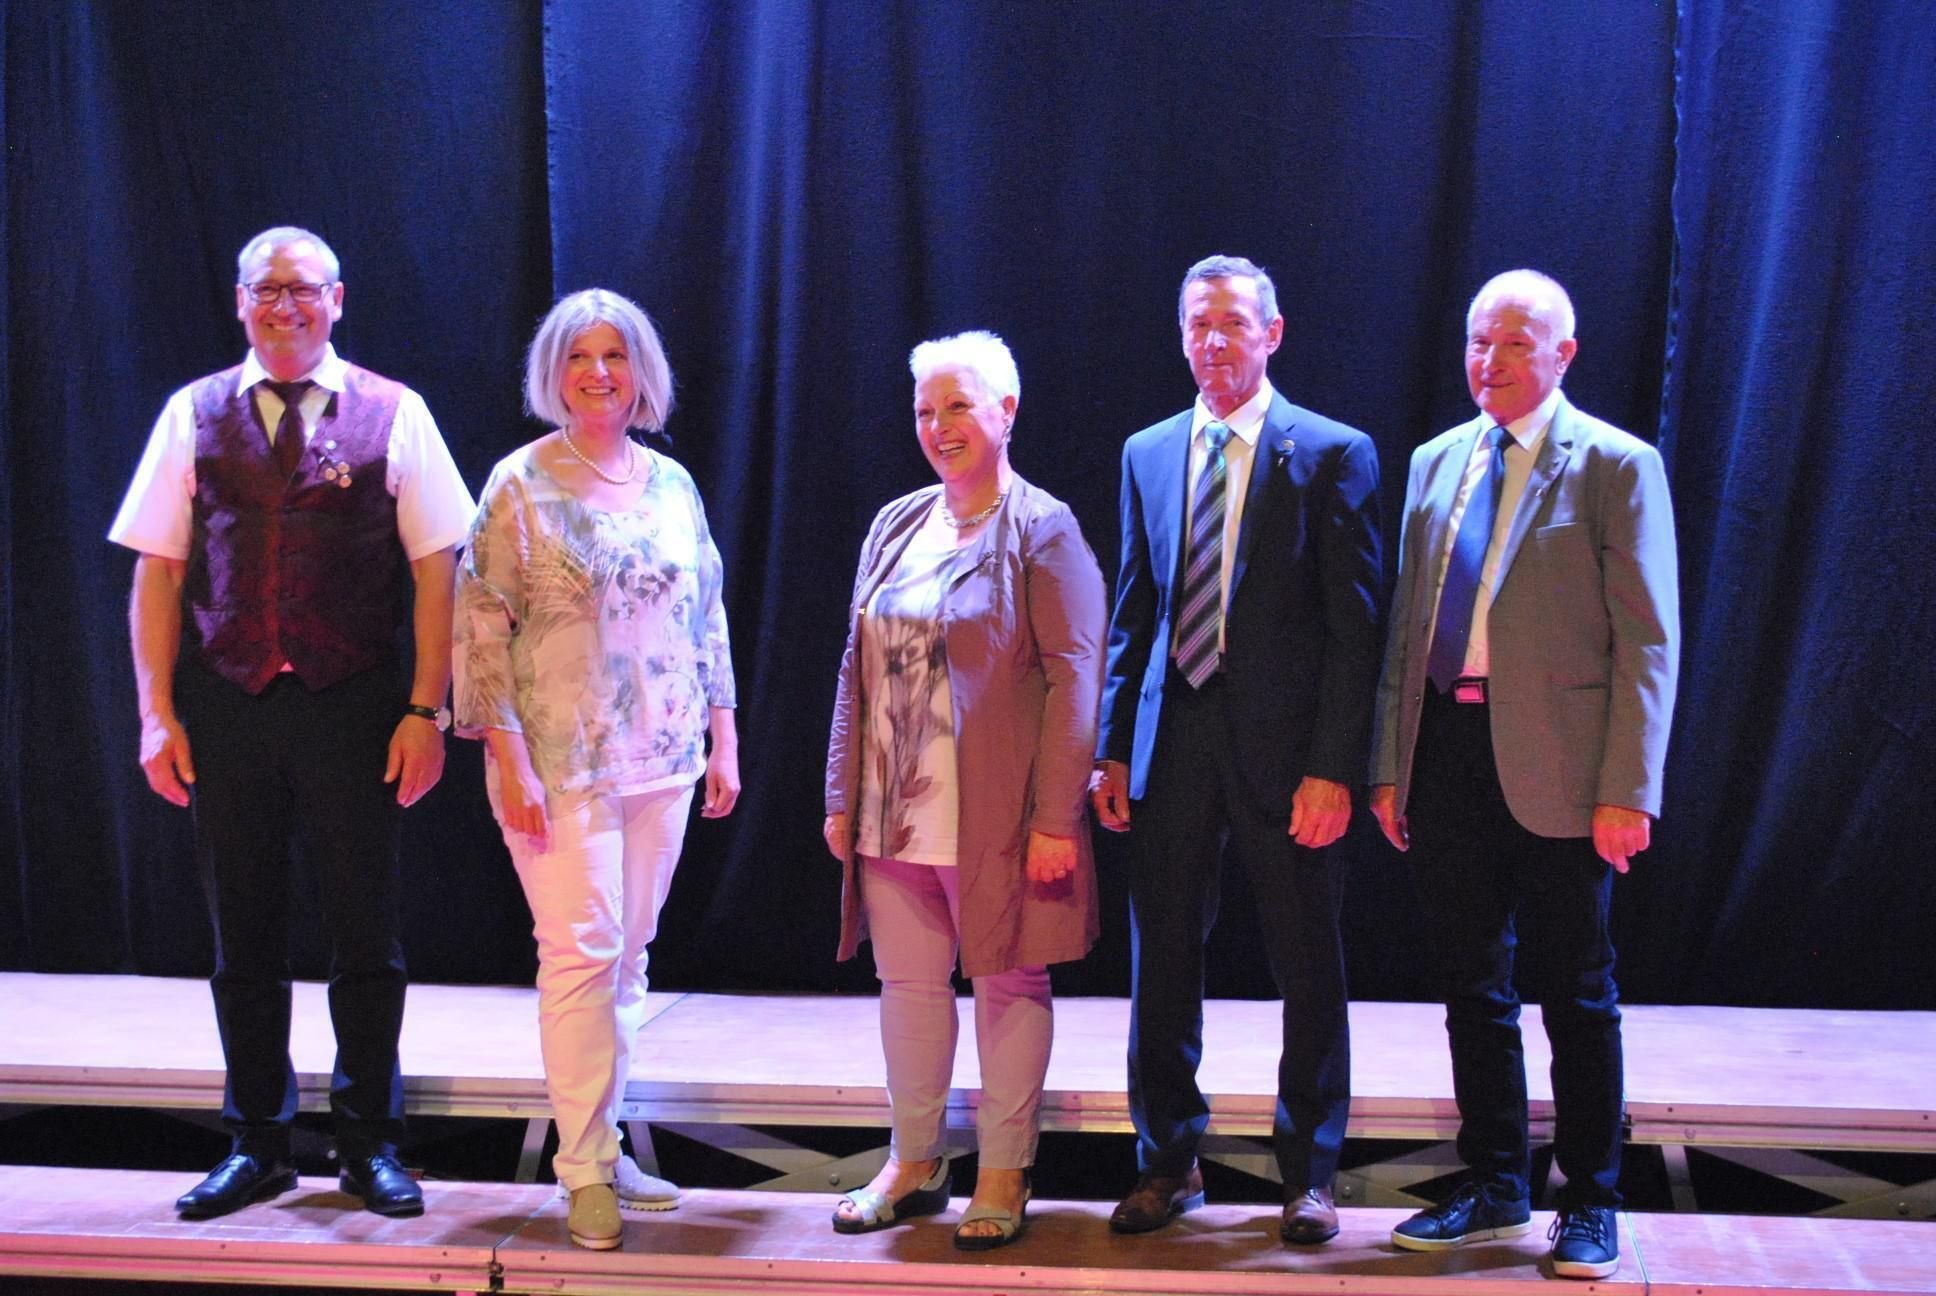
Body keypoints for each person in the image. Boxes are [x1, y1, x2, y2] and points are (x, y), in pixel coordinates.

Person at [111, 226, 475, 1220]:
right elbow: (158, 569)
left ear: (338, 298)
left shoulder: (394, 413)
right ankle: (258, 1142)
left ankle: (368, 1144)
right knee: (246, 938)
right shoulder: (193, 414)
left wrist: (424, 710)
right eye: (266, 291)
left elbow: (439, 566)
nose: (285, 307)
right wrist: (155, 715)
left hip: (355, 703)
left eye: (303, 290)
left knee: (366, 935)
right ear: (239, 303)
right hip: (228, 706)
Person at [1370, 270, 1679, 1280]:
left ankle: (1590, 1197)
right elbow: (1406, 631)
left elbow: (1647, 639)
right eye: (1476, 341)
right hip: (1448, 757)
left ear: (1562, 353)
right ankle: (1496, 1183)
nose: (1488, 361)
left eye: (1512, 343)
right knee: (1470, 985)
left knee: (1575, 991)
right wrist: (1389, 763)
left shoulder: (1615, 465)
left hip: (1563, 764)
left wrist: (1627, 787)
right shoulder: (1433, 462)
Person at [1092, 255, 1383, 1246]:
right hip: (1173, 740)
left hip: (1289, 755)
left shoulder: (1333, 452)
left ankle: (1310, 1173)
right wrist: (1109, 748)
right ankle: (1166, 1160)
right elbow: (1134, 610)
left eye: (1229, 324)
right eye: (1194, 324)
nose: (1210, 341)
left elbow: (1356, 632)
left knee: (1306, 960)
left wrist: (1335, 766)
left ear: (1272, 332)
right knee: (1162, 957)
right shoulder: (1147, 451)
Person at [453, 289, 740, 1252]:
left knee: (629, 957)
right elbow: (480, 624)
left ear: (640, 370)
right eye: (581, 357)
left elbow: (707, 610)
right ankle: (581, 1170)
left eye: (616, 355)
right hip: (560, 764)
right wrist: (505, 756)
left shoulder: (670, 484)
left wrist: (724, 735)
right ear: (555, 372)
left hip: (664, 757)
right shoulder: (519, 483)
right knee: (580, 954)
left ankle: (606, 1142)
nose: (600, 373)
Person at [823, 331, 1105, 1251]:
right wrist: (840, 792)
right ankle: (912, 1163)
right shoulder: (896, 523)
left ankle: (1002, 1170)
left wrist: (1057, 817)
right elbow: (852, 669)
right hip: (891, 810)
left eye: (957, 407)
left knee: (1008, 981)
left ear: (1006, 412)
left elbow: (1076, 679)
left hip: (995, 816)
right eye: (923, 411)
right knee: (907, 986)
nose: (938, 426)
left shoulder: (1044, 528)